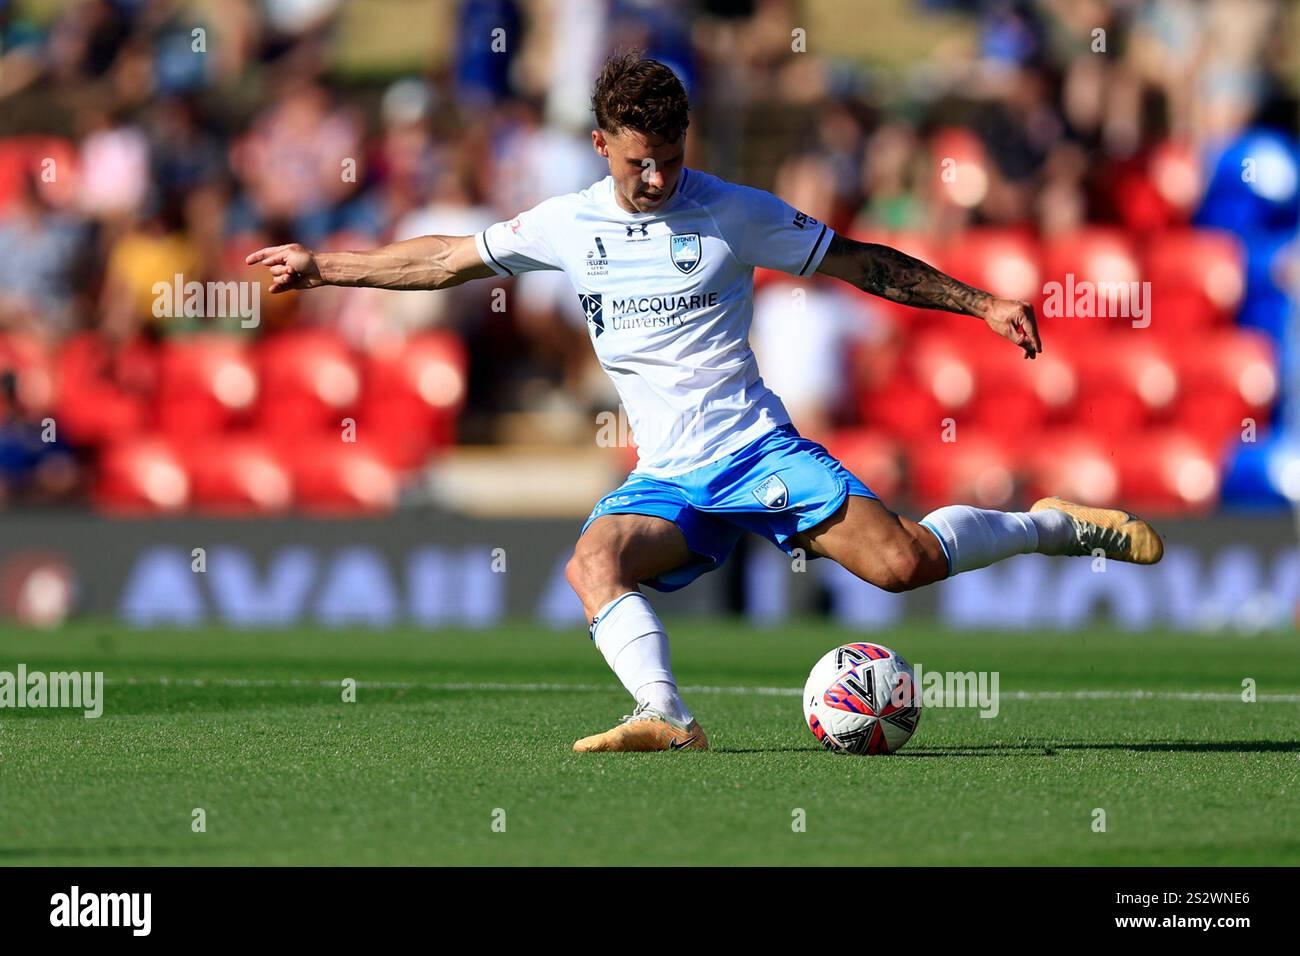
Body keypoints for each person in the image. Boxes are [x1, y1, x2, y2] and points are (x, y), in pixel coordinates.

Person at [247, 52, 1164, 753]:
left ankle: (1051, 526)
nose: (658, 180)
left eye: (672, 160)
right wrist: (327, 265)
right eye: (641, 163)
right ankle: (667, 715)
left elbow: (863, 263)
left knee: (904, 566)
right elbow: (445, 257)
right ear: (601, 145)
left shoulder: (734, 211)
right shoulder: (568, 222)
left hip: (758, 453)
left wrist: (983, 303)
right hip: (668, 479)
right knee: (592, 561)